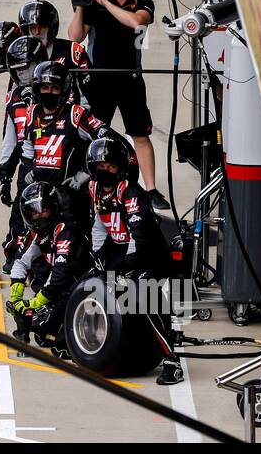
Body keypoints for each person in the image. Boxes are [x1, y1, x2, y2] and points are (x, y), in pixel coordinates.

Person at [77, 137, 183, 385]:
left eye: (110, 166)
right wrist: (97, 257)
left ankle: (172, 361)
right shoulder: (94, 191)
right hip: (122, 253)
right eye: (99, 167)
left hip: (149, 256)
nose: (105, 172)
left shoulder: (131, 192)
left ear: (120, 167)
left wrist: (124, 268)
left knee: (143, 299)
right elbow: (99, 227)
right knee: (84, 283)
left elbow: (140, 237)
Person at [67, 0, 170, 211]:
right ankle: (86, 182)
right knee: (90, 134)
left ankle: (151, 190)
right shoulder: (94, 5)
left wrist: (106, 3)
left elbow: (136, 22)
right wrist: (81, 6)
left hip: (129, 78)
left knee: (140, 134)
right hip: (99, 79)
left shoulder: (143, 4)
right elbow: (75, 37)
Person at [5, 181, 93, 353]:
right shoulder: (39, 234)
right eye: (34, 212)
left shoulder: (65, 231)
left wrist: (34, 302)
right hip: (62, 291)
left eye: (43, 210)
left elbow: (60, 275)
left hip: (84, 290)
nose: (39, 216)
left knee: (57, 343)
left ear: (54, 207)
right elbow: (21, 262)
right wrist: (16, 298)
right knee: (38, 326)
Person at [19, 61, 116, 186]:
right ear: (37, 89)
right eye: (45, 87)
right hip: (40, 191)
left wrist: (87, 173)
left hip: (70, 191)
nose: (49, 92)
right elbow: (26, 152)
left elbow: (107, 139)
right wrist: (28, 170)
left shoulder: (76, 114)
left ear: (63, 91)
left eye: (55, 88)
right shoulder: (31, 113)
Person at [0, 36, 47, 265]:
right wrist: (5, 174)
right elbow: (9, 136)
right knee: (21, 212)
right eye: (18, 70)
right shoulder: (13, 97)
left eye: (27, 67)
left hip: (54, 162)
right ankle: (15, 253)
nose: (23, 74)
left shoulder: (55, 89)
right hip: (27, 164)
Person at [18, 0, 90, 103]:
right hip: (34, 115)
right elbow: (14, 96)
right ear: (26, 31)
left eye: (42, 27)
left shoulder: (73, 50)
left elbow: (89, 92)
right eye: (33, 28)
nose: (37, 32)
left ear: (51, 28)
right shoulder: (20, 56)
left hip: (69, 114)